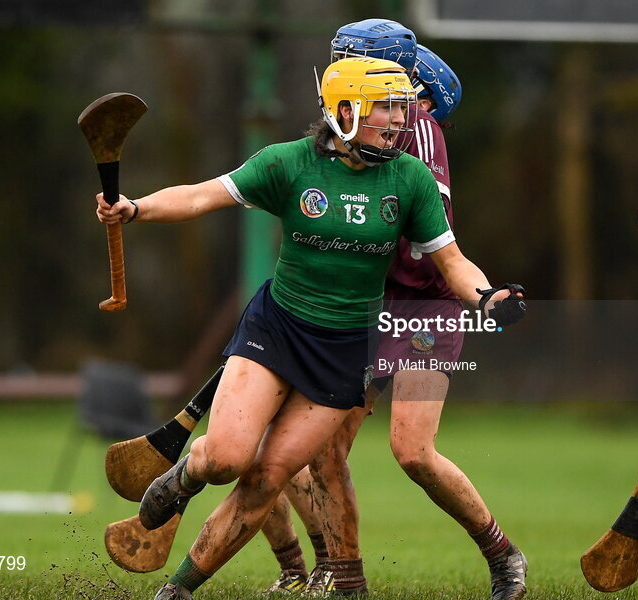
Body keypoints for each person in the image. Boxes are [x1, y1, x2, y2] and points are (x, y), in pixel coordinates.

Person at [95, 57, 527, 600]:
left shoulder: (410, 179)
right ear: (344, 112)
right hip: (277, 330)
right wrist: (135, 209)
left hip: (345, 352)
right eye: (386, 110)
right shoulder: (288, 164)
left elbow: (453, 262)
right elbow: (203, 194)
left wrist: (486, 296)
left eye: (401, 108)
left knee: (266, 479)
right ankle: (185, 477)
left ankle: (177, 591)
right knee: (226, 457)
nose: (400, 122)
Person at [260, 22, 529, 600]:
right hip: (363, 305)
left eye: (346, 59)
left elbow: (421, 240)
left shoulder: (420, 132)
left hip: (424, 309)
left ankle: (503, 554)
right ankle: (340, 577)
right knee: (318, 449)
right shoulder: (346, 124)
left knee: (413, 449)